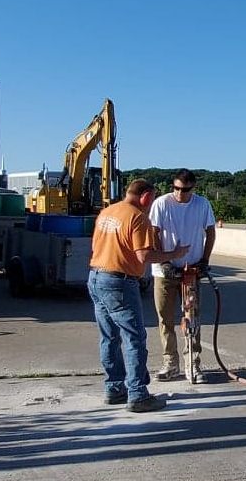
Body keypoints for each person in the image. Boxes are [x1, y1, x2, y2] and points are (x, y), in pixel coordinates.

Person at [89, 178, 190, 412]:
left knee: (109, 337)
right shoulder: (138, 217)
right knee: (134, 338)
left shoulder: (107, 212)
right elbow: (144, 256)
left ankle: (114, 389)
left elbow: (96, 246)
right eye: (151, 199)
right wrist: (173, 253)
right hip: (120, 282)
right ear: (145, 197)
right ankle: (138, 394)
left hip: (96, 277)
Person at [149, 169, 217, 383]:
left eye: (185, 190)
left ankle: (193, 364)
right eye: (176, 188)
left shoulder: (202, 204)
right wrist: (164, 260)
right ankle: (170, 362)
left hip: (191, 271)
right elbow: (153, 232)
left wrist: (204, 260)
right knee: (165, 318)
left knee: (192, 319)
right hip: (165, 272)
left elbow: (211, 231)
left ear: (192, 189)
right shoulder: (161, 204)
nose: (180, 193)